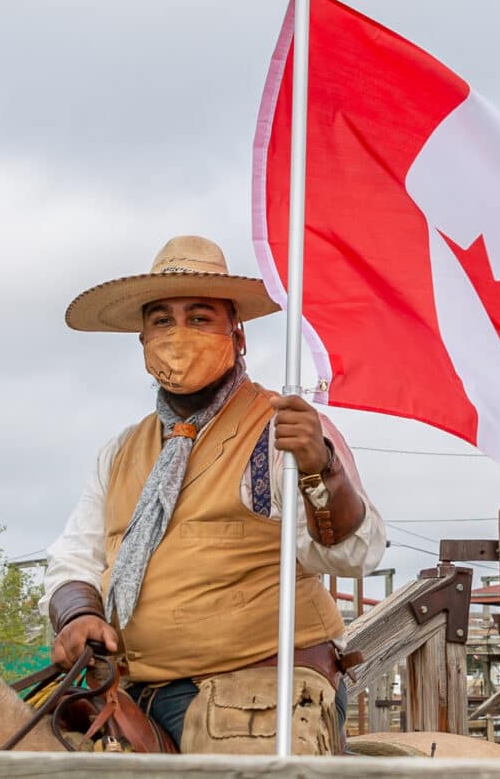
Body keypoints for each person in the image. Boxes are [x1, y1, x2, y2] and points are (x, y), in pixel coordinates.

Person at [42, 233, 385, 752]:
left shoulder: (281, 430)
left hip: (262, 687)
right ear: (142, 338)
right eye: (162, 320)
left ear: (237, 335)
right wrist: (79, 614)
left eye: (199, 317)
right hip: (134, 690)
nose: (178, 334)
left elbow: (355, 556)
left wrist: (322, 471)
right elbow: (75, 559)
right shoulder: (118, 453)